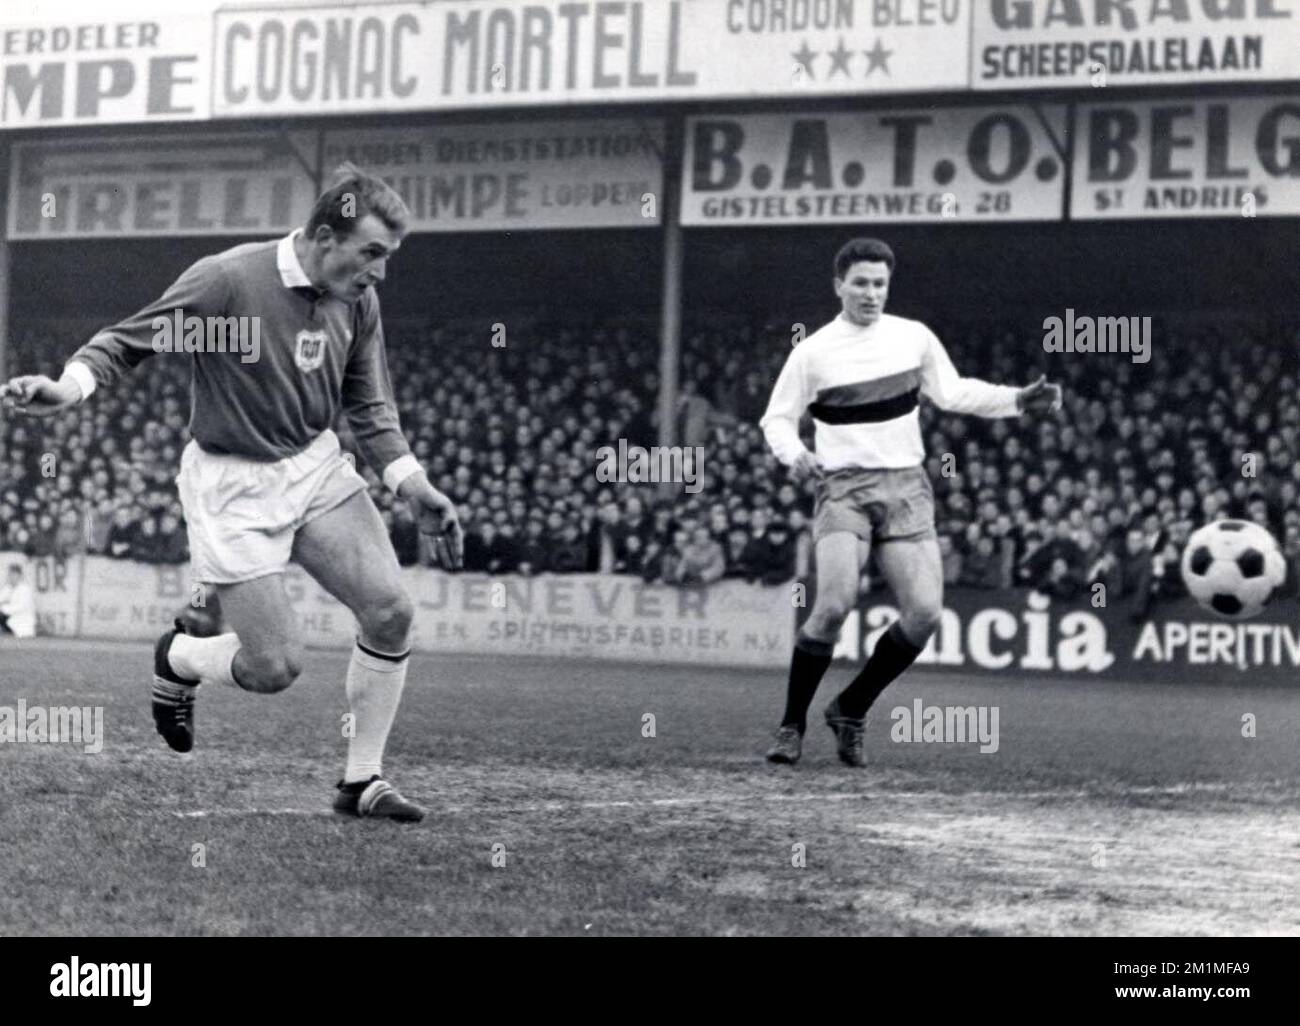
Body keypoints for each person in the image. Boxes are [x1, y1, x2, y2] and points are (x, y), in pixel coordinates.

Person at [0, 164, 463, 822]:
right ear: (326, 235)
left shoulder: (356, 300)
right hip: (231, 486)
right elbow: (131, 340)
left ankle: (362, 781)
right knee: (275, 667)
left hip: (312, 466)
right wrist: (67, 388)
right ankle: (180, 656)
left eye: (386, 258)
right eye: (372, 254)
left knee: (391, 612)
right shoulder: (230, 279)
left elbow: (370, 406)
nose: (379, 272)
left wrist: (414, 487)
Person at [759, 237, 1061, 766]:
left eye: (880, 284)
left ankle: (850, 707)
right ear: (839, 286)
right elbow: (776, 418)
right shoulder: (813, 352)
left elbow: (954, 392)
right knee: (832, 604)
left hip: (905, 486)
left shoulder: (913, 338)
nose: (871, 294)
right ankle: (790, 726)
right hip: (844, 486)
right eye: (861, 283)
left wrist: (1016, 400)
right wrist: (794, 453)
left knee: (923, 614)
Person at [0, 563, 37, 639]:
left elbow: (20, 607)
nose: (11, 577)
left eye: (13, 575)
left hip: (21, 622)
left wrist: (3, 607)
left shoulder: (25, 589)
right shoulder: (7, 588)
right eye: (10, 574)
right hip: (9, 620)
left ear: (20, 576)